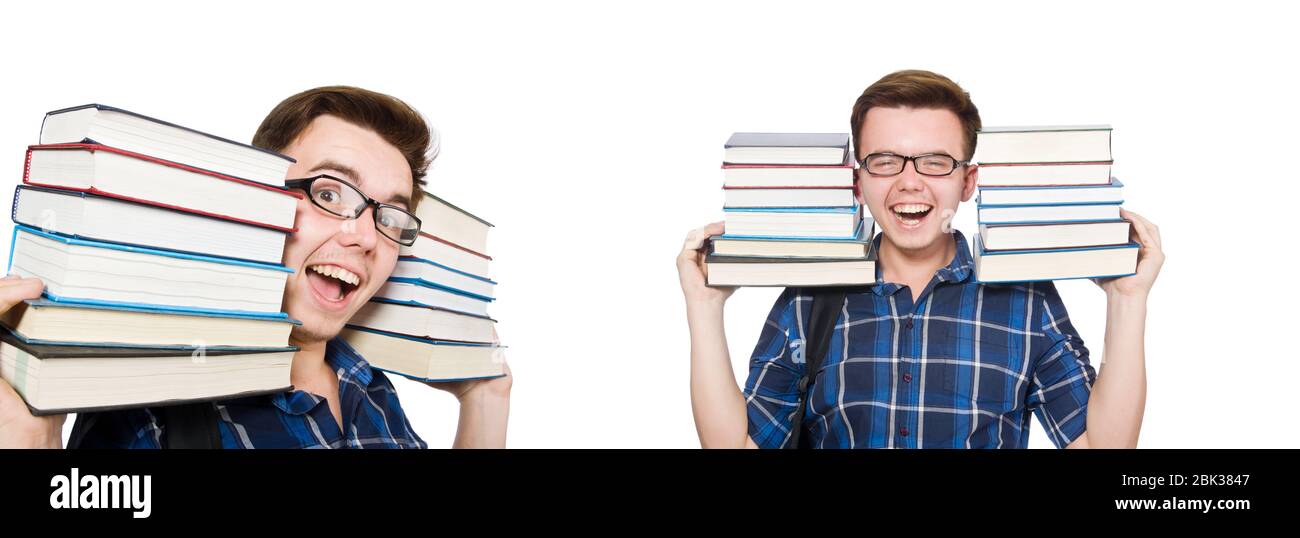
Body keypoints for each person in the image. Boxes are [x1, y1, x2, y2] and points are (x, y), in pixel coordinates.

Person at [0, 86, 511, 448]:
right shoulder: (150, 412)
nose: (362, 237)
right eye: (329, 192)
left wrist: (486, 401)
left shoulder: (372, 390)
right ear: (253, 201)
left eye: (389, 216)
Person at [677, 70, 1163, 448]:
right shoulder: (807, 301)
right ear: (857, 182)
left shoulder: (1027, 301)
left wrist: (1127, 299)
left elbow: (1102, 444)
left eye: (935, 162)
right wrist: (703, 307)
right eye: (886, 161)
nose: (910, 182)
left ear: (968, 182)